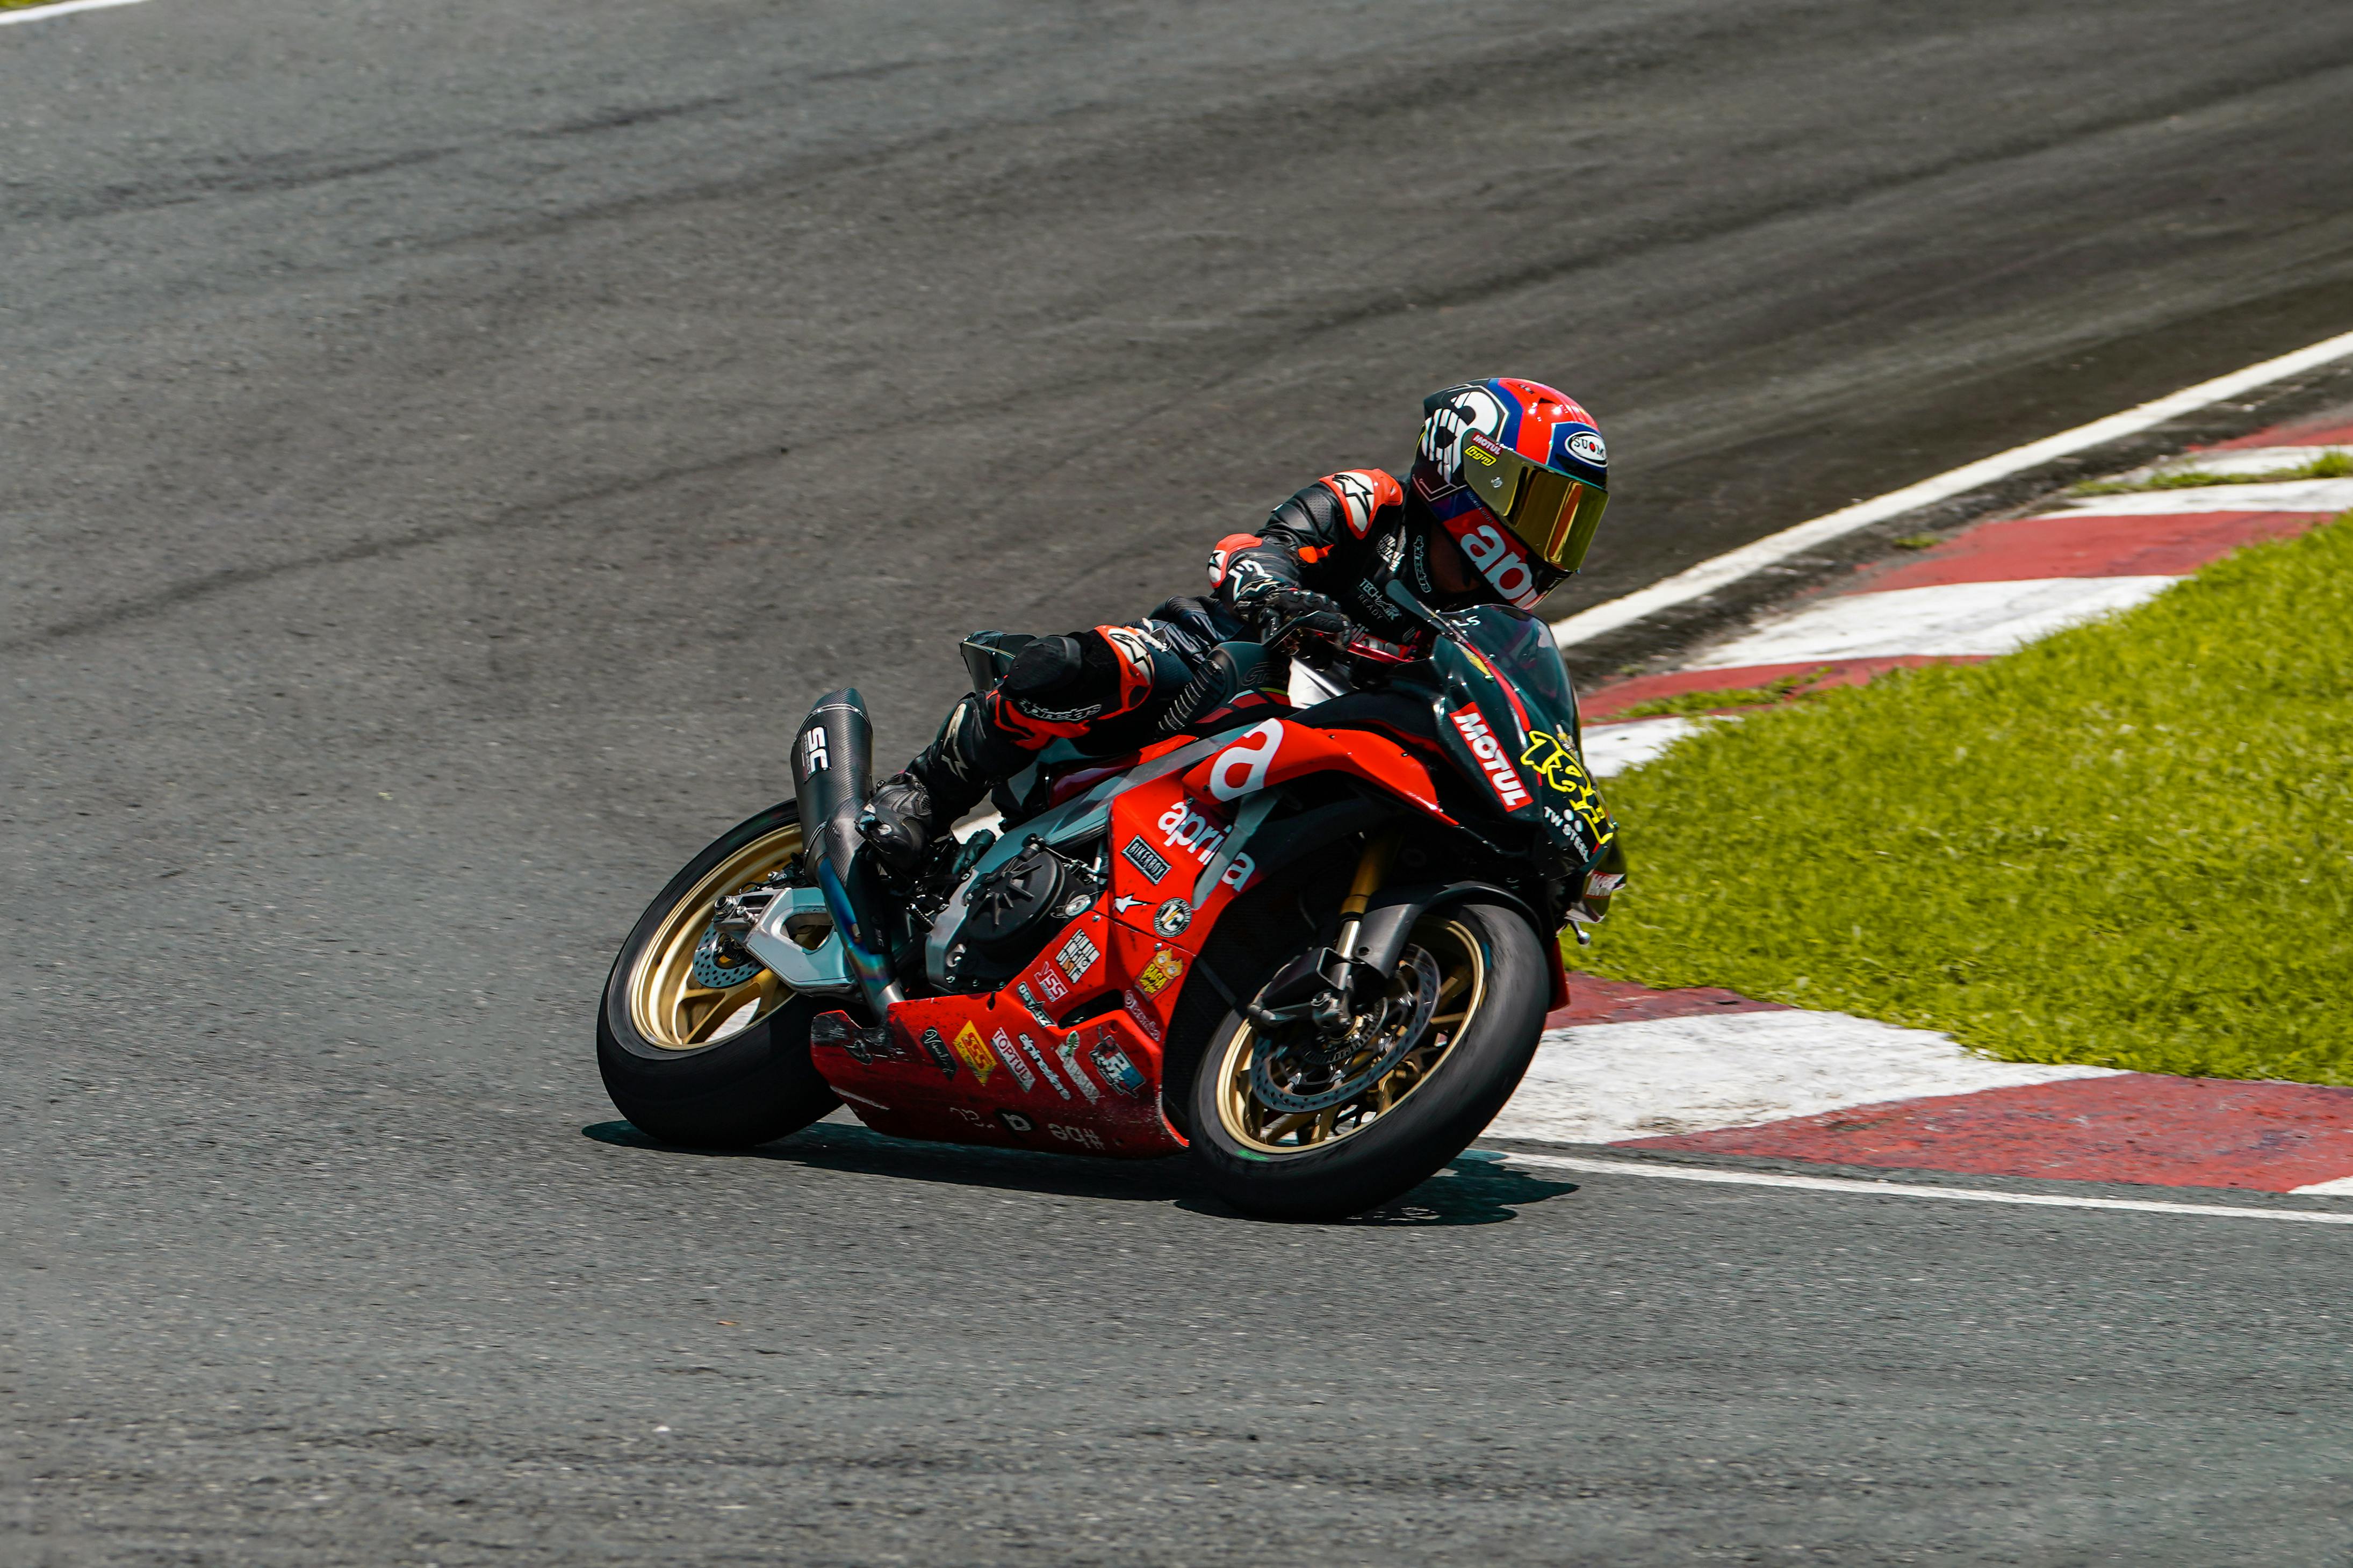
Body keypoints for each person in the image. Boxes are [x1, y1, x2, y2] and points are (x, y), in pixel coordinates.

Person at [857, 377, 1611, 873]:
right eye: (1543, 506)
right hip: (1229, 660)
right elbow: (1267, 549)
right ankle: (926, 788)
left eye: (1570, 523)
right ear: (1467, 467)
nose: (1552, 541)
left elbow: (1524, 722)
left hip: (1346, 735)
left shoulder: (1486, 626)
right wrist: (1283, 595)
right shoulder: (1375, 504)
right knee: (1090, 665)